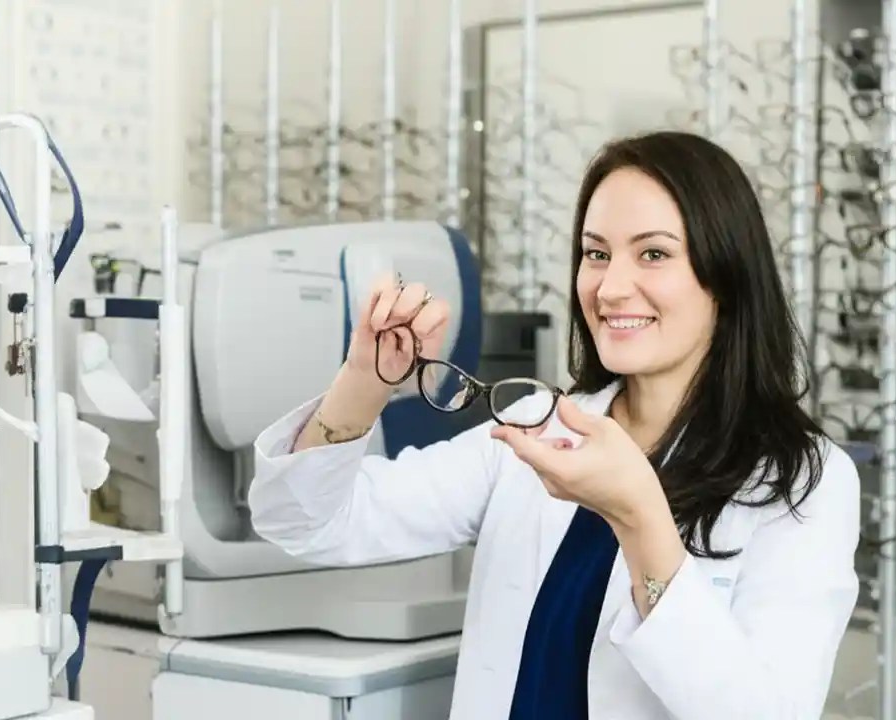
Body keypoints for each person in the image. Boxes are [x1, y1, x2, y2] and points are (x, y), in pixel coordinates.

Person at [247, 130, 861, 719]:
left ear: (726, 276)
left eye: (653, 253)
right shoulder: (535, 430)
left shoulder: (803, 481)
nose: (611, 287)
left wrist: (639, 518)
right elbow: (305, 522)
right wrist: (366, 379)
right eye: (596, 254)